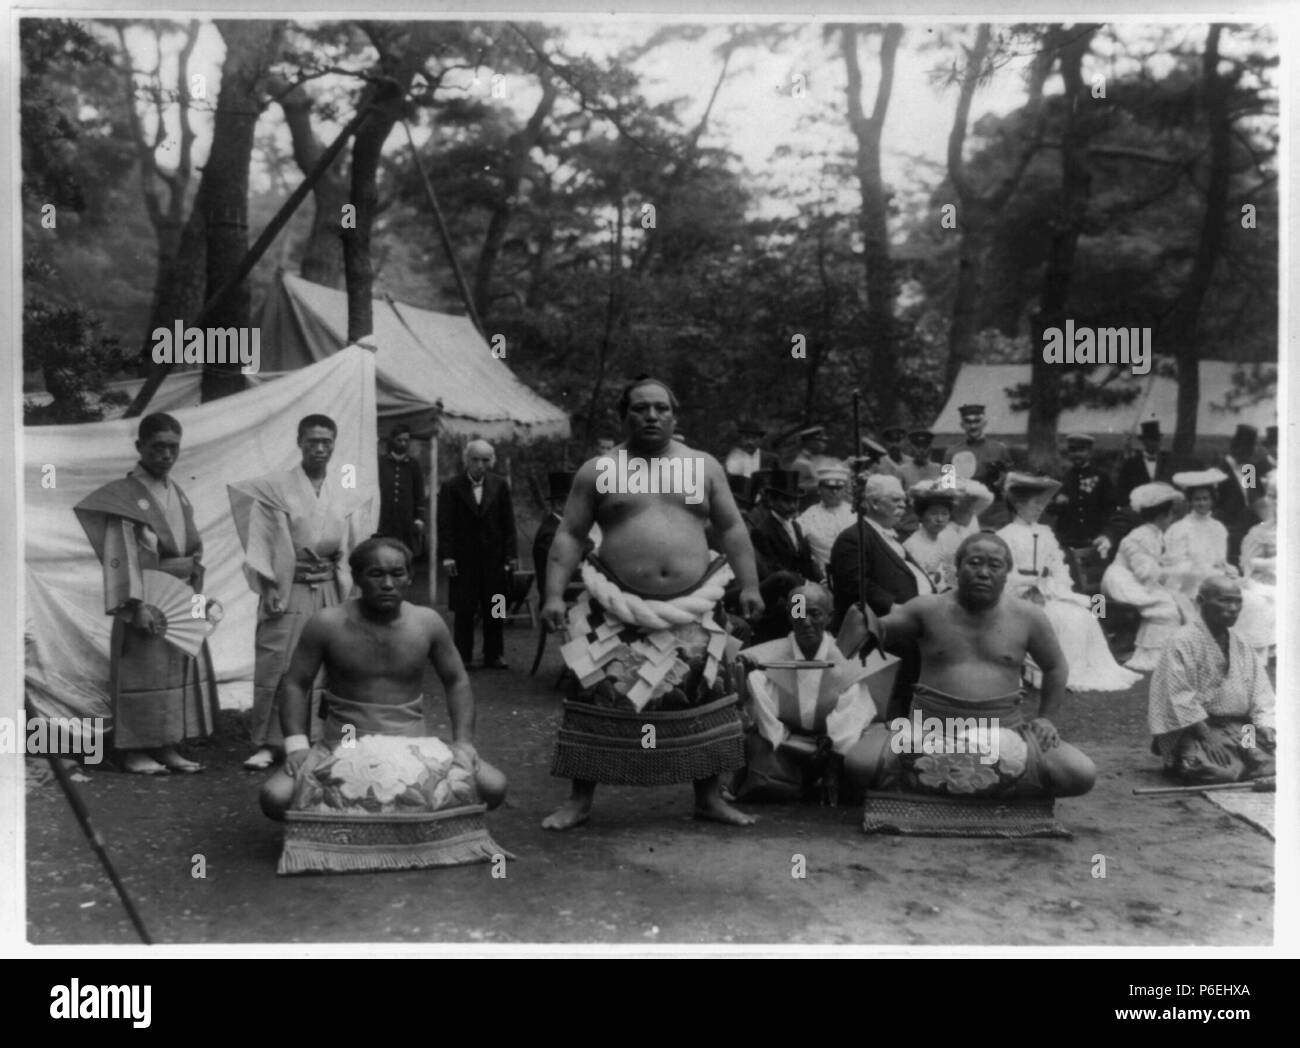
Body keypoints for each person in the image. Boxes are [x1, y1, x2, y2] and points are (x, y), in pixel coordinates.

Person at [539, 376, 764, 830]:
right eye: (640, 408)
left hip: (695, 603)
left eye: (661, 408)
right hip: (614, 604)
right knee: (597, 693)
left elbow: (733, 529)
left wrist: (752, 585)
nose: (651, 416)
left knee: (703, 694)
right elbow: (569, 534)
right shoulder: (599, 469)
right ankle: (580, 801)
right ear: (623, 417)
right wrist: (552, 594)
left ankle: (709, 796)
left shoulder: (703, 467)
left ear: (675, 415)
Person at [258, 538, 507, 830]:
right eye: (376, 574)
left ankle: (368, 817)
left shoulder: (427, 623)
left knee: (494, 788)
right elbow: (296, 684)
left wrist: (464, 742)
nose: (388, 583)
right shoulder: (326, 623)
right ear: (358, 578)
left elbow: (457, 680)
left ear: (409, 577)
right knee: (274, 797)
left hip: (412, 745)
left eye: (397, 574)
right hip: (343, 744)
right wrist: (297, 746)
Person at [842, 533, 1096, 798]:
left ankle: (939, 784)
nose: (983, 573)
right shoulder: (926, 608)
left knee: (1079, 773)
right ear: (957, 568)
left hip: (1004, 732)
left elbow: (1056, 667)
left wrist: (1045, 718)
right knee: (859, 763)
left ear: (1007, 573)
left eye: (994, 565)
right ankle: (989, 787)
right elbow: (878, 631)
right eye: (974, 563)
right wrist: (864, 621)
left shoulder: (1029, 616)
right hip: (930, 728)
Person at [74, 412, 219, 775]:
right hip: (146, 596)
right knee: (143, 672)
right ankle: (136, 750)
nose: (166, 455)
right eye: (158, 447)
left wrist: (192, 588)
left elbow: (192, 546)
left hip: (178, 595)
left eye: (173, 447)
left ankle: (168, 745)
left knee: (172, 672)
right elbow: (120, 554)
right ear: (140, 447)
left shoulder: (177, 492)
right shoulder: (124, 497)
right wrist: (134, 606)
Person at [228, 414, 375, 770]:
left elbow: (355, 545)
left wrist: (353, 589)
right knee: (279, 662)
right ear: (299, 443)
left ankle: (326, 737)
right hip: (289, 587)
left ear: (334, 444)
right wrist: (270, 586)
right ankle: (270, 742)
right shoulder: (276, 489)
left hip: (330, 587)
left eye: (326, 441)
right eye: (312, 441)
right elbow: (260, 541)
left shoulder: (345, 492)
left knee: (331, 665)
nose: (319, 448)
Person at [736, 583, 886, 800]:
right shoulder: (774, 653)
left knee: (856, 688)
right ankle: (781, 757)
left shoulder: (842, 654)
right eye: (798, 612)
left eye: (814, 614)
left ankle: (833, 764)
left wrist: (834, 749)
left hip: (830, 743)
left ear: (829, 617)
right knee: (755, 678)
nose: (805, 622)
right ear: (789, 615)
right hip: (785, 737)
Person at [997, 474, 1141, 692]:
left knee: (1082, 615)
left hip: (1047, 591)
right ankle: (1052, 673)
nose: (1040, 509)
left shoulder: (1044, 532)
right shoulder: (1004, 535)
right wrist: (1027, 587)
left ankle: (1077, 670)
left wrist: (1050, 587)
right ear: (1018, 504)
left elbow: (1059, 568)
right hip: (1018, 596)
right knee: (1060, 618)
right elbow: (1006, 573)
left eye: (1042, 504)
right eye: (1035, 504)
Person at [1147, 576, 1275, 785]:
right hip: (1196, 728)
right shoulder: (1182, 641)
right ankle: (1185, 757)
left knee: (1271, 761)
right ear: (1201, 601)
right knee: (1219, 773)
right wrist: (1207, 736)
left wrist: (1266, 725)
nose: (1233, 608)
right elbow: (1178, 696)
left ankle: (1245, 757)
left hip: (1242, 728)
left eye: (1238, 601)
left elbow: (1260, 691)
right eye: (1225, 601)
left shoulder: (1240, 642)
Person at [436, 439, 519, 670]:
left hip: (495, 559)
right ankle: (462, 655)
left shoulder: (500, 485)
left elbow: (508, 522)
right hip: (464, 559)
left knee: (497, 606)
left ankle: (495, 654)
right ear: (466, 460)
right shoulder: (451, 487)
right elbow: (445, 525)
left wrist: (511, 554)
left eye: (485, 460)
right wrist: (448, 556)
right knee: (464, 610)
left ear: (492, 461)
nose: (480, 465)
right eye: (475, 459)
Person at [1101, 482, 1194, 672]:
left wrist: (1170, 568)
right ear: (1162, 516)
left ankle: (1169, 652)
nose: (1172, 519)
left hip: (1134, 579)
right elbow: (1144, 572)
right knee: (1163, 606)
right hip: (1120, 580)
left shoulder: (1155, 534)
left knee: (1178, 599)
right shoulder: (1140, 536)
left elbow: (1153, 566)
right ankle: (1153, 655)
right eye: (1170, 514)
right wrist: (1171, 571)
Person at [828, 473, 936, 630]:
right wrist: (893, 607)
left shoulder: (889, 536)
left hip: (918, 619)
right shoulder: (853, 538)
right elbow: (854, 585)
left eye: (903, 500)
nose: (903, 505)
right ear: (875, 503)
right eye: (895, 500)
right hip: (883, 627)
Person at [1051, 433, 1121, 557]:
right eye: (1073, 450)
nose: (1077, 454)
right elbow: (1051, 510)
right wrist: (1057, 502)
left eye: (1081, 450)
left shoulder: (1101, 477)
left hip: (1094, 540)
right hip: (1068, 541)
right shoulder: (1062, 478)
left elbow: (1111, 509)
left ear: (1089, 452)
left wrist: (1105, 533)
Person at [748, 468, 822, 583]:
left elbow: (805, 560)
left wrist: (819, 581)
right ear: (772, 501)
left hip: (805, 589)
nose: (793, 506)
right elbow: (772, 570)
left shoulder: (796, 526)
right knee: (799, 600)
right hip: (783, 592)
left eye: (796, 501)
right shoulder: (762, 531)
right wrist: (803, 583)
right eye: (787, 501)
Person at [1233, 474, 1276, 659]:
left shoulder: (1253, 467)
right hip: (1245, 514)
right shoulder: (1248, 468)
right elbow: (1250, 496)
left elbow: (1252, 491)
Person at [1214, 424, 1262, 564]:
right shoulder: (1220, 468)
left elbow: (1254, 496)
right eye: (1248, 448)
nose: (1251, 452)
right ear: (1236, 447)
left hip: (1249, 528)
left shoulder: (1249, 468)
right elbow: (1217, 503)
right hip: (1229, 528)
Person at [795, 463, 854, 578]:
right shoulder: (809, 517)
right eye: (830, 488)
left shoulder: (855, 514)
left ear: (844, 489)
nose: (834, 492)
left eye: (839, 488)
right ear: (819, 489)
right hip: (825, 578)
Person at [375, 424, 426, 556]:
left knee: (405, 553)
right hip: (384, 518)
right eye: (399, 440)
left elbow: (419, 492)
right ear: (392, 440)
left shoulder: (413, 464)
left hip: (406, 519)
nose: (403, 443)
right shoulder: (381, 463)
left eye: (406, 440)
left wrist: (419, 518)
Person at [903, 483, 960, 592]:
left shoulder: (946, 539)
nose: (940, 519)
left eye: (945, 514)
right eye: (934, 513)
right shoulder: (911, 546)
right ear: (921, 515)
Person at [942, 404, 1011, 493]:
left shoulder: (999, 449)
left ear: (984, 423)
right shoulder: (951, 452)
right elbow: (947, 487)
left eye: (977, 421)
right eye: (968, 422)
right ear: (962, 425)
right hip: (963, 503)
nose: (973, 426)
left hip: (994, 503)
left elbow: (1010, 483)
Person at [1116, 419, 1175, 509]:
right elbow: (1122, 490)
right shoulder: (1131, 464)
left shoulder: (1168, 462)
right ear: (1144, 441)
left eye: (1157, 439)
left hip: (1162, 510)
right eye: (1151, 440)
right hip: (1138, 509)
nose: (1155, 443)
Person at [789, 425, 836, 506]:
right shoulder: (801, 463)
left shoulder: (810, 461)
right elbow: (794, 489)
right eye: (820, 441)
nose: (823, 444)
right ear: (811, 442)